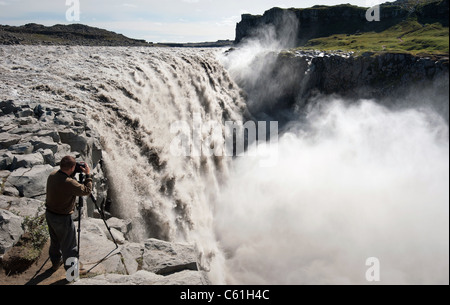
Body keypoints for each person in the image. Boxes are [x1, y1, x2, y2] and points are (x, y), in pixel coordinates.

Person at [45, 156, 92, 272]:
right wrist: (88, 176)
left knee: (55, 241)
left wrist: (72, 173)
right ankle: (72, 273)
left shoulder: (52, 175)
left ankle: (55, 262)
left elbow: (64, 182)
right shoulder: (70, 183)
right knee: (70, 247)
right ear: (72, 167)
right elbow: (87, 191)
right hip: (63, 218)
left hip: (50, 215)